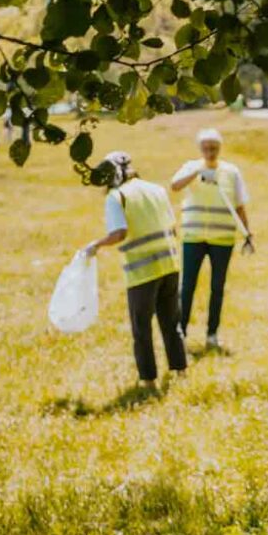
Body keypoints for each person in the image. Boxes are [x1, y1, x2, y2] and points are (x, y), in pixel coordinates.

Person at [83, 151, 187, 386]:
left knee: (142, 328)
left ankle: (148, 380)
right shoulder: (156, 189)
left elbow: (119, 233)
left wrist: (96, 245)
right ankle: (180, 370)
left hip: (142, 272)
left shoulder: (116, 196)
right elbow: (172, 226)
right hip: (170, 263)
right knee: (171, 322)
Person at [170, 127, 253, 352]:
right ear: (200, 148)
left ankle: (212, 334)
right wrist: (196, 172)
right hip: (193, 237)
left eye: (214, 148)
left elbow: (239, 205)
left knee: (218, 287)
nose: (210, 152)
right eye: (206, 148)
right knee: (187, 286)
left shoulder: (231, 172)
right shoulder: (191, 167)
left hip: (222, 239)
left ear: (220, 148)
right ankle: (181, 332)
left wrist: (247, 233)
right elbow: (175, 186)